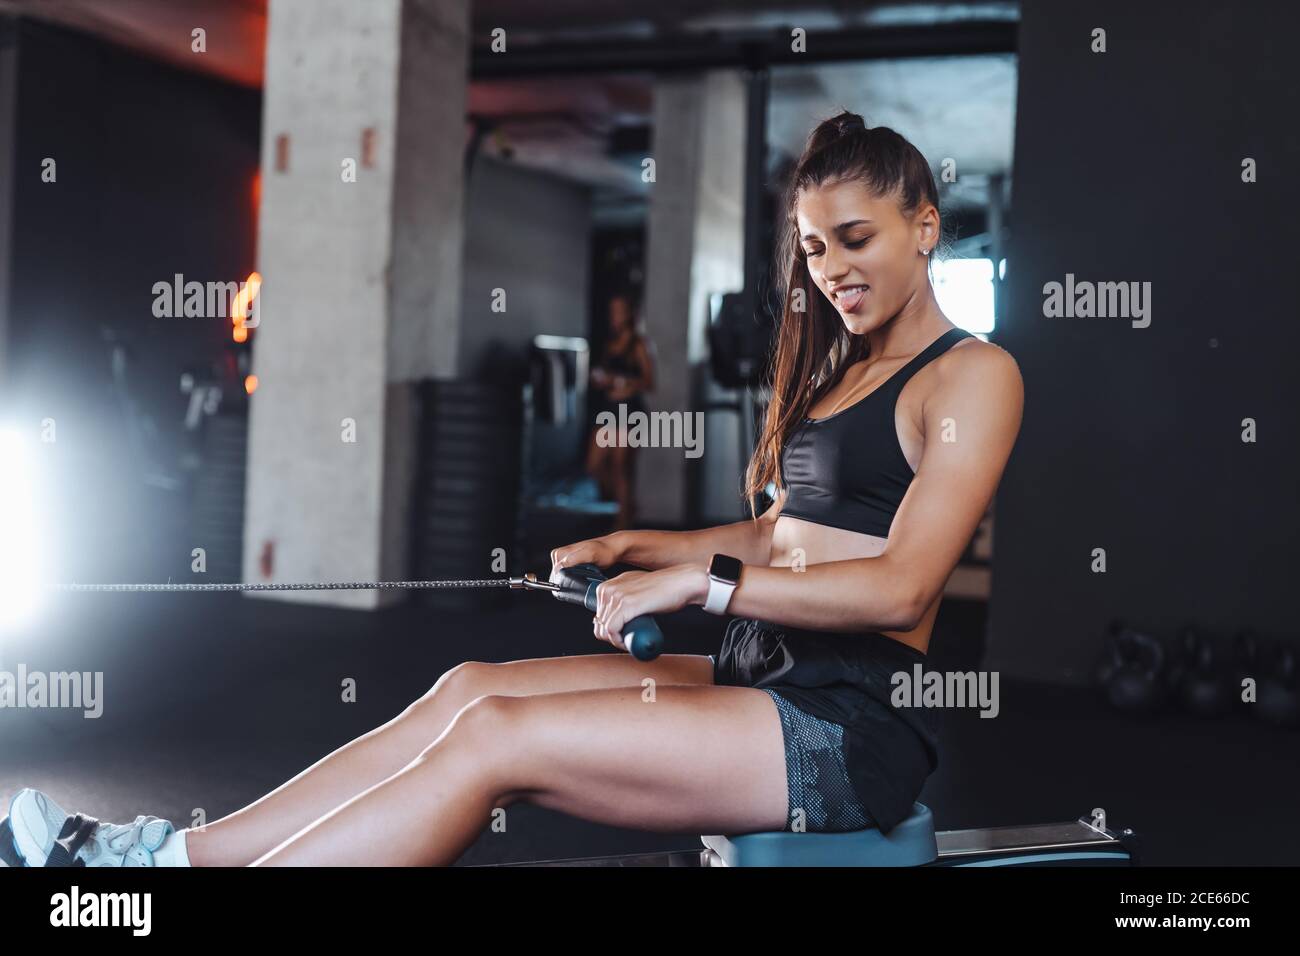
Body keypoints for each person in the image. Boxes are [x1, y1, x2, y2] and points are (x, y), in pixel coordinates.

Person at [2, 112, 1022, 867]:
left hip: (849, 729)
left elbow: (898, 587)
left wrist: (699, 586)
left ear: (925, 225)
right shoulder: (844, 373)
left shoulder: (971, 374)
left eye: (856, 239)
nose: (830, 269)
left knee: (495, 741)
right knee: (468, 688)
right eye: (811, 248)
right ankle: (162, 862)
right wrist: (644, 544)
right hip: (767, 680)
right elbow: (781, 539)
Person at [585, 292, 654, 531]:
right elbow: (602, 376)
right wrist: (603, 381)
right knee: (593, 465)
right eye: (612, 311)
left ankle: (623, 521)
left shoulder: (639, 344)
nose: (615, 316)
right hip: (608, 409)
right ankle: (627, 505)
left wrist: (625, 382)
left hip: (629, 411)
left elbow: (649, 382)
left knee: (620, 467)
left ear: (629, 313)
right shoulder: (609, 343)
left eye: (619, 311)